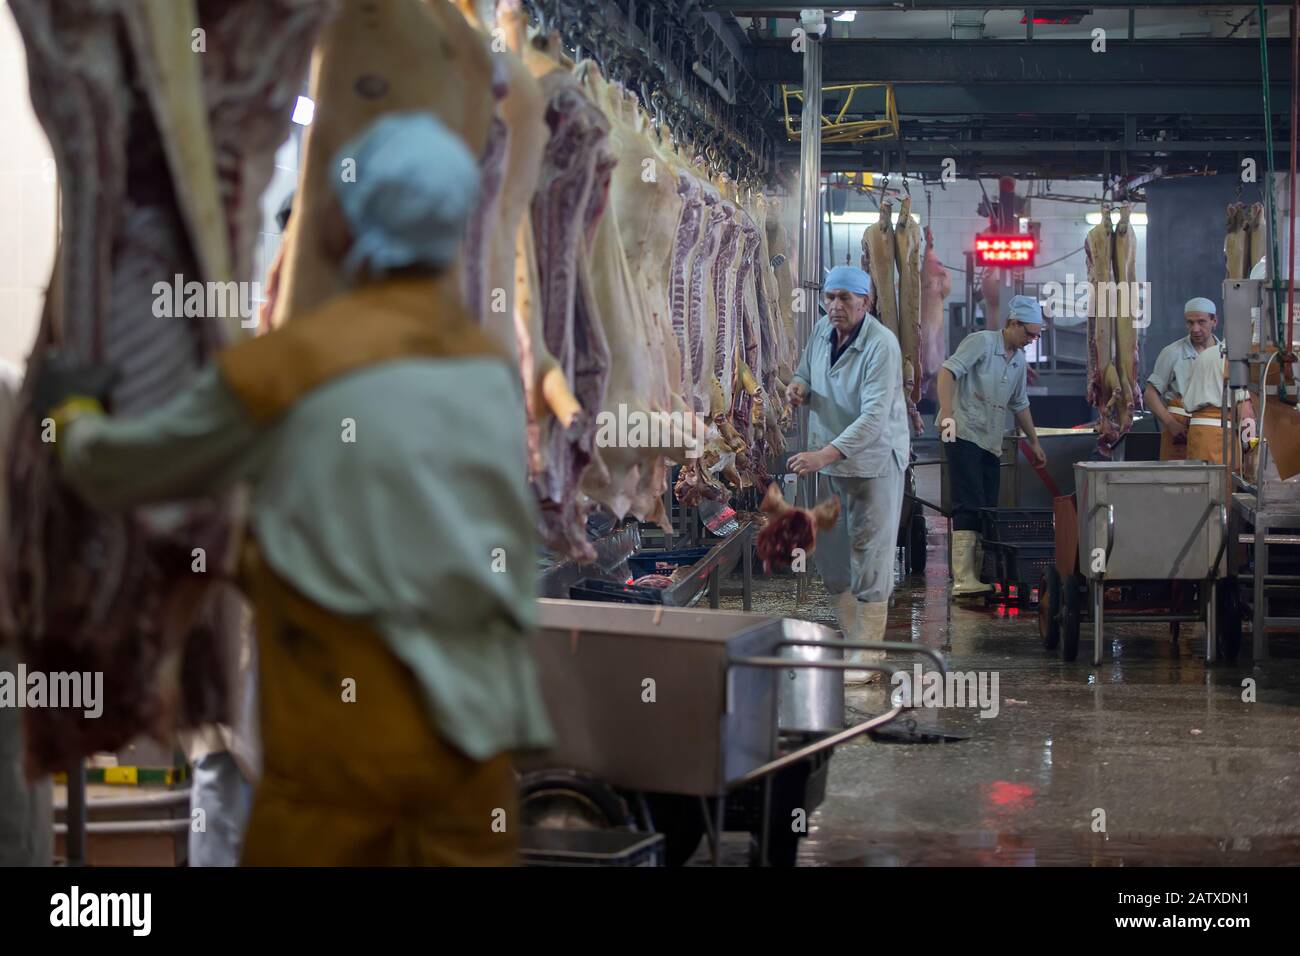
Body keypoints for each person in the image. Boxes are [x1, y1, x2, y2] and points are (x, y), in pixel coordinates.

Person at [33, 111, 554, 866]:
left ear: (352, 221)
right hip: (472, 765)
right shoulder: (485, 370)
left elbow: (121, 469)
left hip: (338, 769)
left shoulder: (291, 366)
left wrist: (70, 411)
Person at [785, 265, 910, 684]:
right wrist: (799, 386)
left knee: (869, 553)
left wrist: (824, 454)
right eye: (830, 297)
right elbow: (805, 370)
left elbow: (874, 416)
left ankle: (868, 652)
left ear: (865, 302)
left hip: (871, 461)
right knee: (832, 555)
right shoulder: (822, 330)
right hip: (827, 456)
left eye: (844, 299)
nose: (835, 306)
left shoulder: (882, 345)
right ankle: (851, 638)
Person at [937, 294, 1047, 599]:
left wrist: (1034, 441)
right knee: (968, 501)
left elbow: (1020, 403)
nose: (1030, 341)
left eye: (1036, 336)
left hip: (990, 439)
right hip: (962, 430)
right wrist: (947, 414)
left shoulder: (1019, 361)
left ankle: (980, 572)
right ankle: (963, 578)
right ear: (1013, 323)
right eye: (1028, 334)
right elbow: (948, 372)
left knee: (987, 505)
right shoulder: (981, 343)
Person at [1145, 297, 1224, 461]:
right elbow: (1150, 394)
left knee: (1213, 477)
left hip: (1213, 428)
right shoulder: (1172, 353)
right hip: (1179, 428)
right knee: (1178, 480)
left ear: (1214, 320)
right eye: (1190, 323)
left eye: (1201, 322)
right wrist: (1171, 423)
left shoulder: (1225, 354)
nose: (1195, 329)